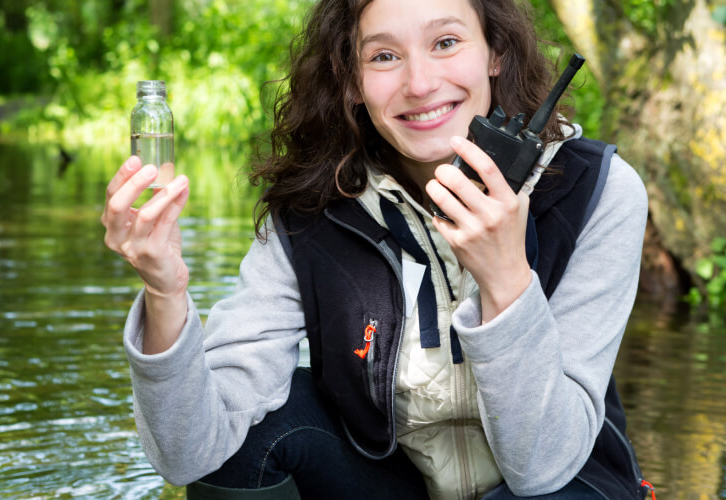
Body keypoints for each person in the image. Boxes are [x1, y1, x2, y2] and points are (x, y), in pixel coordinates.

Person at [98, 0, 654, 498]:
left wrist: (506, 281)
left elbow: (543, 467)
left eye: (445, 43)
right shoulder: (311, 211)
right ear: (351, 81)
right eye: (384, 57)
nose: (419, 83)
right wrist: (164, 289)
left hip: (565, 484)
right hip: (391, 481)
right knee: (253, 434)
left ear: (496, 53)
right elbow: (190, 453)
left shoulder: (598, 191)